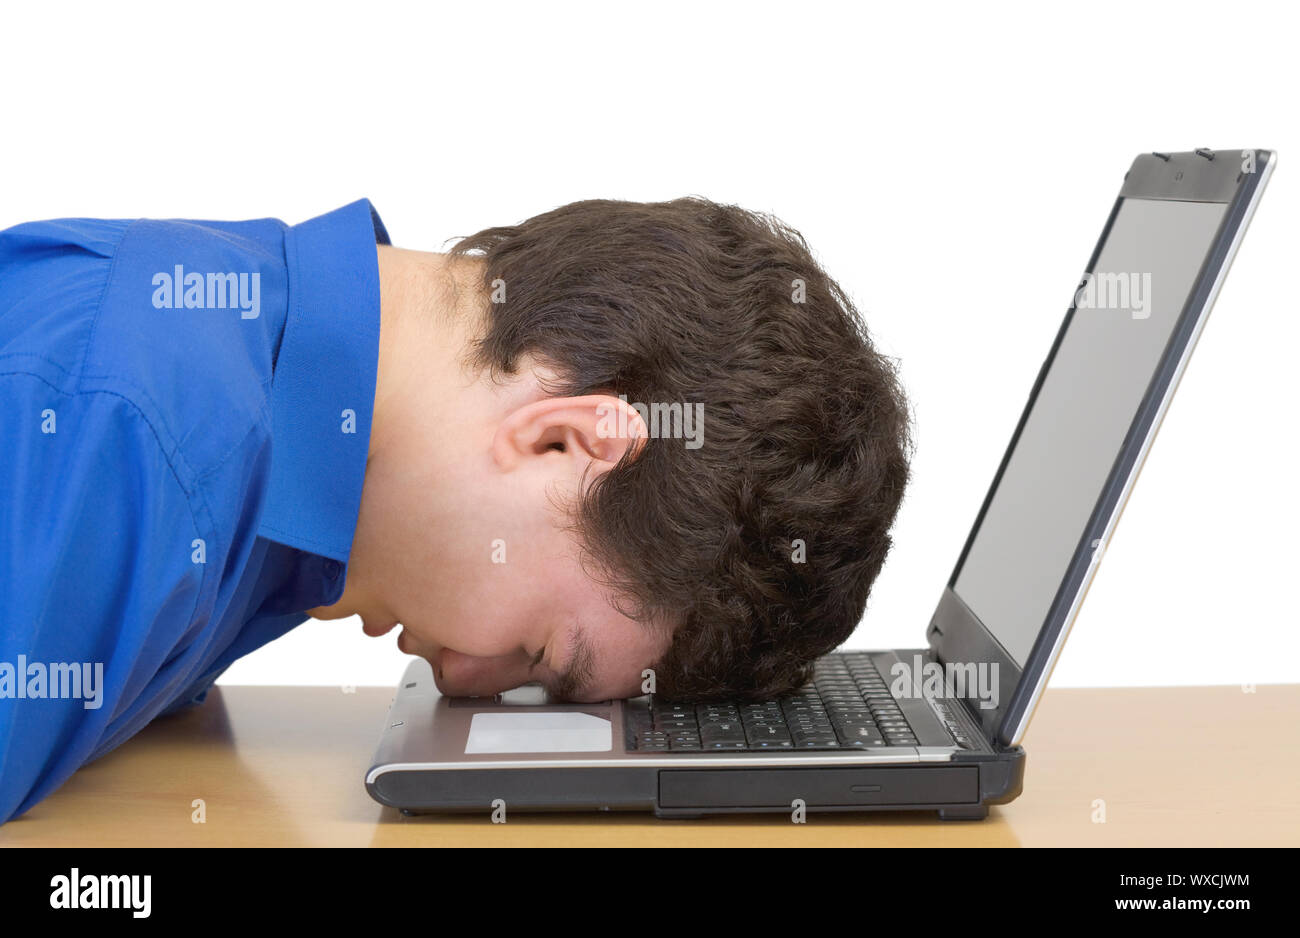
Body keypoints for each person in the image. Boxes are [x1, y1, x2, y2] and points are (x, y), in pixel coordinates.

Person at [0, 197, 910, 823]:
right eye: (540, 655)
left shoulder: (289, 430)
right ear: (567, 442)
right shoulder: (124, 429)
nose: (466, 684)